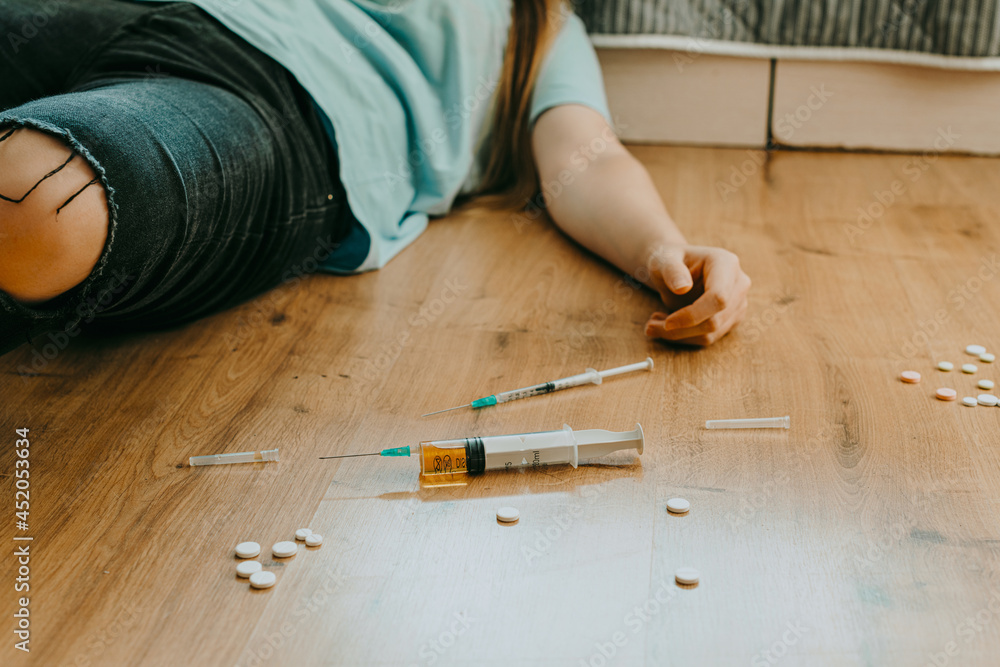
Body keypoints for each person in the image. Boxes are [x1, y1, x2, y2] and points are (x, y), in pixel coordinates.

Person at [0, 0, 750, 358]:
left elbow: (587, 160)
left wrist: (665, 250)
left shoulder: (543, 34)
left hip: (290, 116)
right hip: (149, 18)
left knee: (33, 205)